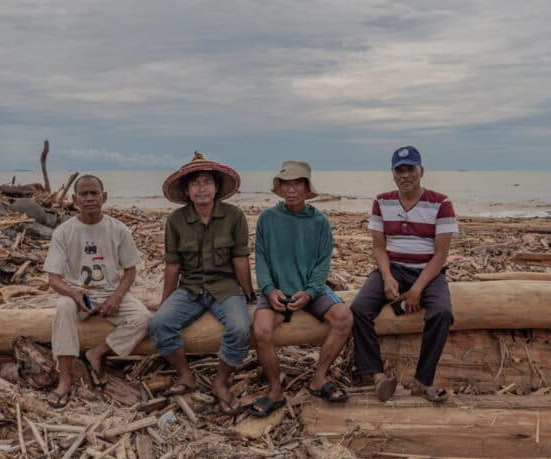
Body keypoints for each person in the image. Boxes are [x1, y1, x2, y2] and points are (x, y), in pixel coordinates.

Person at [149, 152, 256, 416]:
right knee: (160, 323)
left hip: (225, 287)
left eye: (207, 182)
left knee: (240, 328)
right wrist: (165, 301)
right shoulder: (176, 220)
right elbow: (173, 265)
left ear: (217, 187)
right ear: (187, 190)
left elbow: (240, 259)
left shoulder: (234, 216)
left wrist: (249, 294)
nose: (201, 188)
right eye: (195, 184)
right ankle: (186, 375)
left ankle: (220, 382)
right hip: (191, 288)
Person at [351, 146, 458, 402]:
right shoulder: (381, 201)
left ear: (422, 170)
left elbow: (440, 255)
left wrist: (417, 289)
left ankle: (422, 381)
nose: (405, 175)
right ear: (393, 173)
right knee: (359, 309)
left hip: (428, 271)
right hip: (393, 268)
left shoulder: (441, 203)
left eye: (411, 168)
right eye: (400, 170)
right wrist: (387, 277)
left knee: (442, 313)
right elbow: (379, 247)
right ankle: (377, 375)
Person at [249, 161, 353, 417]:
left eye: (298, 183)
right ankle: (275, 391)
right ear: (280, 188)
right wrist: (269, 289)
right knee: (261, 330)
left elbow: (322, 263)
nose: (291, 189)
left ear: (307, 188)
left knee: (344, 318)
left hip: (311, 290)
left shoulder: (320, 222)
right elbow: (260, 258)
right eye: (286, 184)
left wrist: (310, 292)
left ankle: (319, 378)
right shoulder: (267, 219)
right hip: (276, 290)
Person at [43, 174, 151, 408]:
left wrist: (116, 297)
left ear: (105, 197)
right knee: (63, 308)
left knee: (143, 318)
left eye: (94, 193)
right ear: (75, 200)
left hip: (110, 292)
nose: (90, 198)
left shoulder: (118, 229)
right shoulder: (64, 232)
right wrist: (74, 294)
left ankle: (97, 352)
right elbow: (53, 279)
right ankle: (65, 378)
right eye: (84, 194)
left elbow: (130, 271)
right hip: (79, 295)